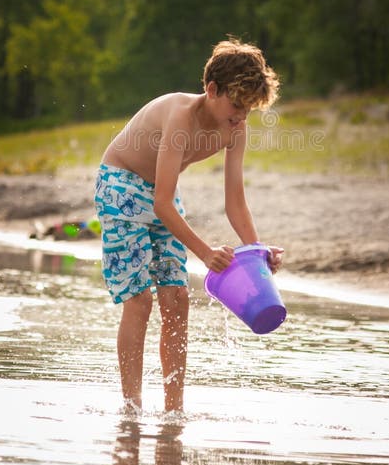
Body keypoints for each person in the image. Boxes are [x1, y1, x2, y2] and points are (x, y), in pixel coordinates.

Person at [94, 39, 283, 414]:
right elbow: (162, 203)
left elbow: (235, 202)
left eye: (248, 109)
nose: (242, 116)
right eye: (236, 105)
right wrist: (206, 253)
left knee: (177, 299)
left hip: (161, 193)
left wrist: (257, 253)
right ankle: (132, 410)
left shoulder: (235, 128)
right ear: (212, 90)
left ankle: (173, 411)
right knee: (139, 300)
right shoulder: (180, 117)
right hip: (121, 185)